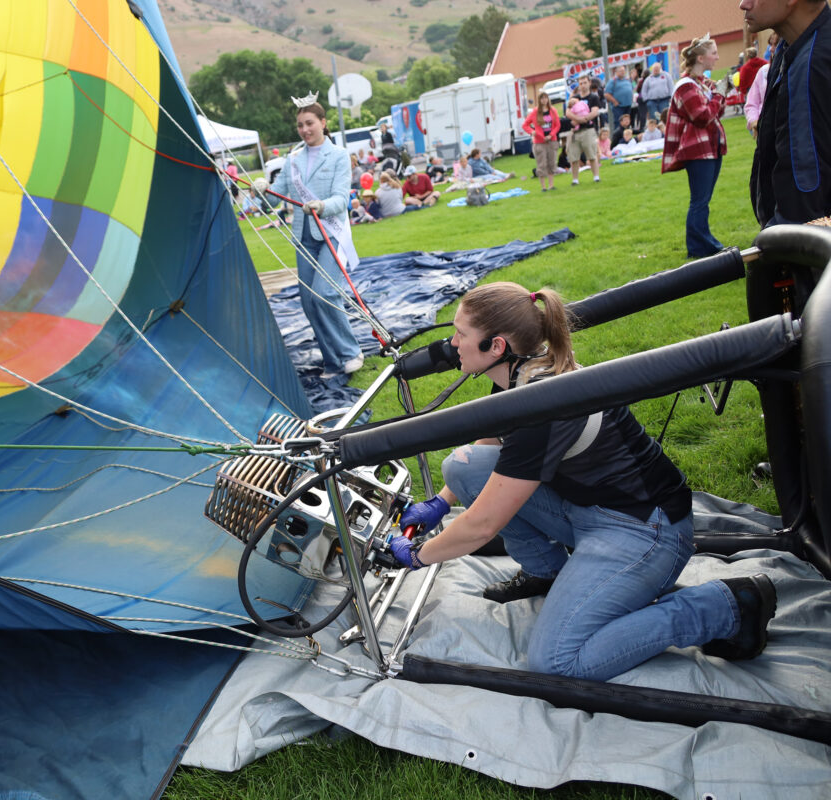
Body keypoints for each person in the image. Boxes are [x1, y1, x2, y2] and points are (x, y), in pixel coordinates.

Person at [387, 281, 778, 681]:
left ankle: (723, 606)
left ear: (496, 346)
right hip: (593, 508)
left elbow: (481, 526)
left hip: (645, 531)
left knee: (557, 661)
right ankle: (550, 573)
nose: (452, 345)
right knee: (463, 465)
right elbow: (491, 440)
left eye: (460, 335)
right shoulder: (524, 367)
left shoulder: (540, 405)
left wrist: (417, 555)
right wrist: (442, 499)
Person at [269, 94, 364, 378]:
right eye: (300, 125)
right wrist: (259, 190)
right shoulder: (293, 159)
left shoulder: (338, 156)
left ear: (323, 123)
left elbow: (340, 198)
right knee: (308, 301)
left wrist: (321, 206)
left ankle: (351, 351)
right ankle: (333, 362)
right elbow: (278, 192)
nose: (305, 129)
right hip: (304, 236)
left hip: (331, 232)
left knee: (324, 293)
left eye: (309, 123)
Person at [743, 0, 831, 227]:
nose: (743, 4)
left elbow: (803, 196)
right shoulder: (790, 50)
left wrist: (779, 249)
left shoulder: (814, 61)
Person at [662, 35, 727, 258]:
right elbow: (702, 116)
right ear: (701, 58)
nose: (717, 57)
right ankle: (699, 246)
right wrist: (718, 96)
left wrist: (718, 97)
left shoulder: (700, 84)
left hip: (710, 148)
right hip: (698, 151)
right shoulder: (686, 86)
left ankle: (703, 244)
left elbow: (715, 112)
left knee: (703, 200)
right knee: (699, 201)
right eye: (714, 53)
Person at [565, 75, 602, 184]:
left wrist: (584, 119)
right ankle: (575, 180)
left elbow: (594, 112)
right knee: (574, 156)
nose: (583, 85)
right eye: (581, 83)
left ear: (589, 83)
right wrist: (577, 119)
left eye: (585, 83)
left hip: (588, 129)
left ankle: (596, 177)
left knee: (591, 154)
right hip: (575, 131)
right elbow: (568, 112)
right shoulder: (574, 98)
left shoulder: (593, 97)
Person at [522, 90, 561, 191]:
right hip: (539, 142)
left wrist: (551, 135)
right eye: (542, 98)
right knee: (541, 163)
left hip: (551, 140)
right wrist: (532, 132)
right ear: (539, 100)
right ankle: (543, 186)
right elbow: (525, 125)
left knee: (552, 162)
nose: (544, 100)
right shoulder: (535, 112)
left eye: (545, 98)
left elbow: (557, 125)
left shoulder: (553, 110)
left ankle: (551, 185)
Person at [603, 64, 635, 137]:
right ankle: (618, 138)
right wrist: (614, 101)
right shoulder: (612, 81)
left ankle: (627, 136)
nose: (622, 72)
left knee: (627, 122)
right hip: (619, 106)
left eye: (623, 71)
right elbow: (606, 94)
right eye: (620, 71)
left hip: (628, 105)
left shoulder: (627, 80)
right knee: (619, 123)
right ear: (616, 72)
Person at [743, 61, 769, 139]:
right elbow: (752, 103)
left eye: (774, 47)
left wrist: (743, 89)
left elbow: (742, 78)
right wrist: (754, 121)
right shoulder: (764, 71)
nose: (771, 49)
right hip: (764, 128)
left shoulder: (746, 67)